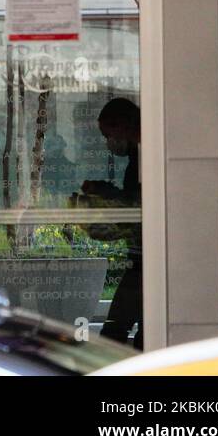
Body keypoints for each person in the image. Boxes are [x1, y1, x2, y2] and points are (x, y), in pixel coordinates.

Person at [73, 97, 142, 348]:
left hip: (147, 258)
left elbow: (139, 205)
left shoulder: (147, 158)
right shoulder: (138, 158)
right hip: (141, 256)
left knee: (117, 326)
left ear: (122, 126)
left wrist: (107, 195)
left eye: (108, 134)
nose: (108, 143)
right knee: (123, 325)